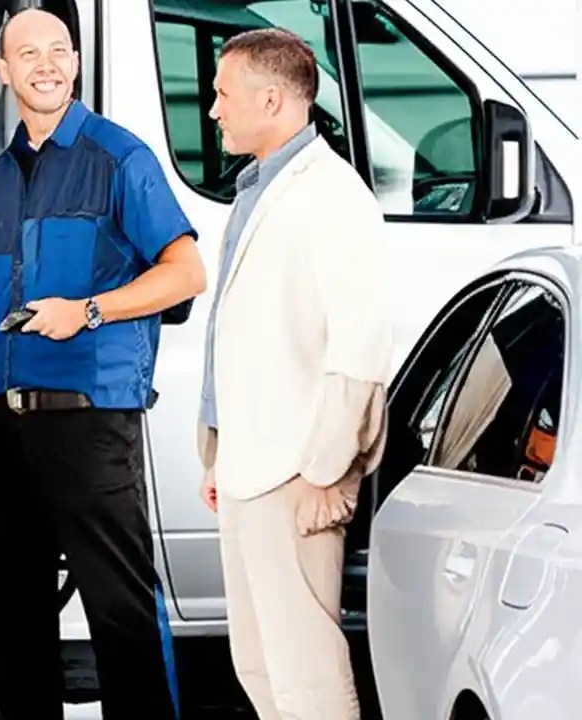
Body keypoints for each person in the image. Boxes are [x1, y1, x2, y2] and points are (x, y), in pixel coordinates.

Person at [0, 8, 205, 719]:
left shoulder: (120, 158)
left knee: (119, 612)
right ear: (4, 71)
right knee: (10, 614)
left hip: (90, 420)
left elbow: (184, 273)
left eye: (59, 50)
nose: (45, 64)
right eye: (29, 53)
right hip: (7, 420)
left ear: (76, 64)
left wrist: (87, 311)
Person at [194, 28, 392, 720]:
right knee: (257, 667)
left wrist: (325, 471)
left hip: (296, 475)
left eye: (222, 94)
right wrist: (219, 450)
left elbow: (360, 347)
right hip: (252, 466)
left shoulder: (334, 198)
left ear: (271, 98)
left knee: (305, 672)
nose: (213, 110)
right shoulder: (257, 191)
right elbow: (238, 332)